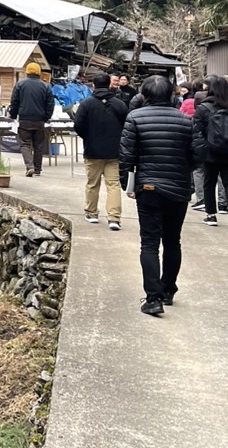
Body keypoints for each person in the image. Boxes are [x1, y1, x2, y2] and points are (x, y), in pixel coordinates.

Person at [120, 74, 204, 316]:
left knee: (149, 243)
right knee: (172, 240)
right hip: (178, 188)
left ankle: (153, 298)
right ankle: (168, 290)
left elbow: (126, 157)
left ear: (144, 95)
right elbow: (198, 156)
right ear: (171, 94)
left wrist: (130, 185)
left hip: (148, 188)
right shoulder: (186, 121)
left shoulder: (134, 117)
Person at [73, 71, 128, 229]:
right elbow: (126, 126)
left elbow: (78, 125)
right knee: (113, 185)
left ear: (94, 85)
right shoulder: (119, 104)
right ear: (109, 84)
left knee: (92, 184)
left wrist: (88, 137)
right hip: (114, 151)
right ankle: (114, 218)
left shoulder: (86, 103)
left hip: (92, 150)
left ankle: (91, 213)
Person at [8, 61, 55, 176]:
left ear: (27, 72)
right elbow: (50, 104)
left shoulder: (20, 84)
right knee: (38, 145)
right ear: (39, 72)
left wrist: (13, 115)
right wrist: (46, 117)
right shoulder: (46, 86)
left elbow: (14, 102)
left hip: (24, 119)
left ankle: (29, 166)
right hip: (40, 120)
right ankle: (38, 169)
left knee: (24, 143)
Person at [193, 75, 228, 226]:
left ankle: (211, 214)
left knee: (209, 183)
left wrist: (200, 151)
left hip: (210, 153)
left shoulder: (203, 107)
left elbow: (196, 131)